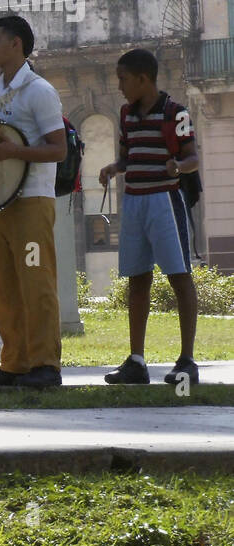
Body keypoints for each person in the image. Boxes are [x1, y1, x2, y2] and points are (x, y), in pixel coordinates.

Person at [0, 15, 68, 389]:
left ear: (16, 44)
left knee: (35, 281)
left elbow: (58, 148)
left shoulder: (39, 91)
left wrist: (15, 151)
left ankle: (45, 364)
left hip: (31, 203)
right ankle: (13, 363)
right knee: (3, 286)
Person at [99, 48, 201, 386]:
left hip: (164, 202)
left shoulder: (176, 113)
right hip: (134, 202)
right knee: (137, 279)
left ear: (143, 79)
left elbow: (193, 159)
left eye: (123, 79)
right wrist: (114, 168)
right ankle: (137, 361)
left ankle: (187, 360)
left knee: (179, 276)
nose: (120, 86)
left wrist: (178, 165)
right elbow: (129, 157)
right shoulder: (127, 114)